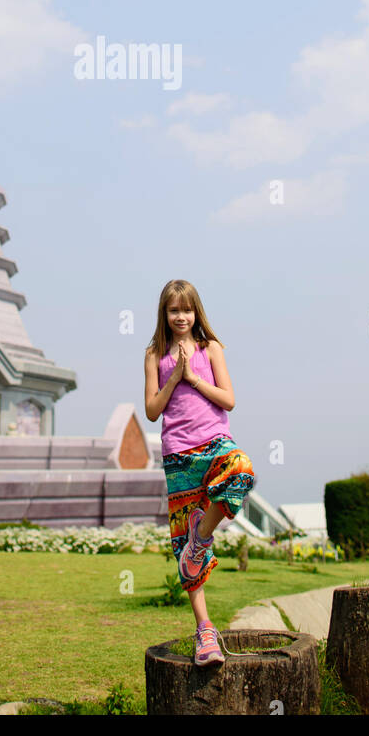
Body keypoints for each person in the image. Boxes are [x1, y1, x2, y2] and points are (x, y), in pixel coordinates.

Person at [144, 278, 255, 666]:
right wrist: (174, 376)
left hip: (214, 443)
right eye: (174, 310)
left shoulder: (211, 349)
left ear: (196, 312)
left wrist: (194, 378)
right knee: (183, 551)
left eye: (187, 309)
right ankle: (205, 631)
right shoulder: (154, 354)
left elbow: (230, 399)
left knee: (240, 470)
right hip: (177, 454)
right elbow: (152, 411)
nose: (181, 316)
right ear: (165, 313)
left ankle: (202, 535)